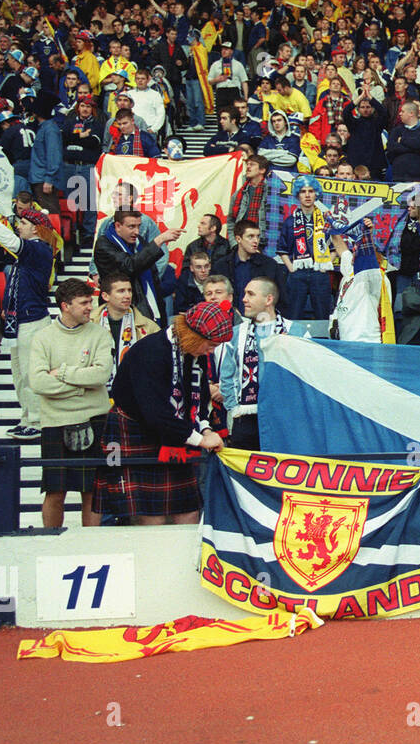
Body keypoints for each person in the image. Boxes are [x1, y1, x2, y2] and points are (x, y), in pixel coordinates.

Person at [94, 300, 233, 526]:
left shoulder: (191, 352)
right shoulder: (151, 353)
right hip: (137, 428)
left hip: (174, 429)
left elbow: (198, 397)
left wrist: (206, 429)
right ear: (192, 336)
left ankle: (187, 562)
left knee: (188, 512)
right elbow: (155, 413)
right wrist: (200, 440)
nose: (212, 351)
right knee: (152, 517)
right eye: (210, 345)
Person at [0, 197, 56, 440]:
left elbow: (8, 240)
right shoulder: (27, 254)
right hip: (19, 321)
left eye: (24, 223)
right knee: (18, 374)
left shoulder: (39, 249)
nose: (19, 226)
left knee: (30, 374)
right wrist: (6, 307)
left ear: (36, 228)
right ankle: (26, 417)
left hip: (33, 321)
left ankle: (37, 421)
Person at [29, 279, 113, 528]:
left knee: (92, 491)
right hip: (55, 422)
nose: (91, 307)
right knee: (55, 491)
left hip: (94, 419)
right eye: (84, 303)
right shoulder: (42, 338)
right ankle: (53, 542)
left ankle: (91, 545)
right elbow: (38, 383)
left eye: (90, 301)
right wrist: (81, 386)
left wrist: (63, 373)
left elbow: (100, 376)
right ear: (65, 305)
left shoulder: (100, 334)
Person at [217, 278, 307, 450]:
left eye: (250, 294)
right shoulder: (236, 334)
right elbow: (226, 377)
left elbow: (309, 375)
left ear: (268, 300)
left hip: (286, 418)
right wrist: (235, 410)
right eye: (244, 294)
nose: (243, 299)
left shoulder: (296, 331)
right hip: (246, 419)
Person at [94, 206, 181, 325]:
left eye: (138, 226)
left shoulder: (138, 241)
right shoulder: (104, 244)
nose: (137, 232)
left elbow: (152, 274)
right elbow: (130, 266)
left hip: (149, 303)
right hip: (121, 311)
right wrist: (159, 240)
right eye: (131, 227)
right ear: (118, 226)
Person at [276, 175, 335, 320]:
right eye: (303, 191)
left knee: (323, 317)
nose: (307, 195)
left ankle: (323, 342)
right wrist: (291, 268)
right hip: (298, 274)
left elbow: (334, 248)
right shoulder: (290, 221)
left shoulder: (325, 221)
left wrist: (324, 266)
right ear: (298, 195)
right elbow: (283, 249)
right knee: (293, 316)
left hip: (319, 273)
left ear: (317, 194)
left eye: (311, 191)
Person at [96, 271, 160, 390]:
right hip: (98, 396)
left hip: (135, 394)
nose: (127, 295)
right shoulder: (90, 323)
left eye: (129, 290)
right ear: (105, 296)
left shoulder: (149, 327)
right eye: (121, 291)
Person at [216, 218, 284, 312]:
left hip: (261, 318)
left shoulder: (269, 265)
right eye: (250, 236)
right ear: (238, 239)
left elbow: (281, 298)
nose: (256, 241)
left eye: (258, 236)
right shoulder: (221, 266)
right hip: (229, 319)